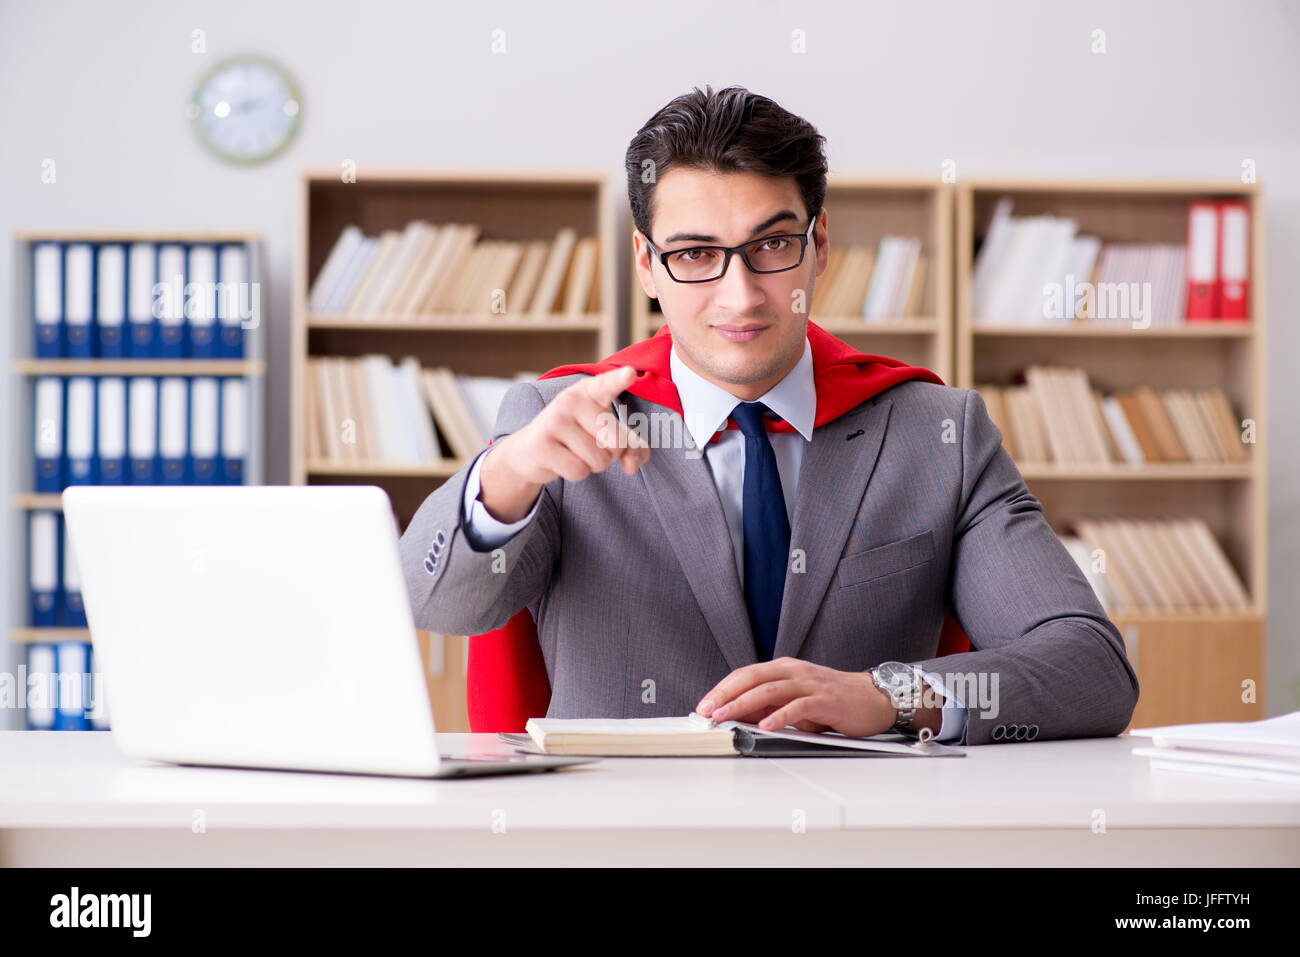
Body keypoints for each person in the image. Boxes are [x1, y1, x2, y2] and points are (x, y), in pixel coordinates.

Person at [398, 85, 1139, 745]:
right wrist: (506, 476)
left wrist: (889, 694)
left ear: (819, 245)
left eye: (772, 244)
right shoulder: (557, 423)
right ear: (646, 265)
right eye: (694, 254)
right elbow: (436, 602)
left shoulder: (937, 433)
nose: (742, 295)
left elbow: (1090, 666)